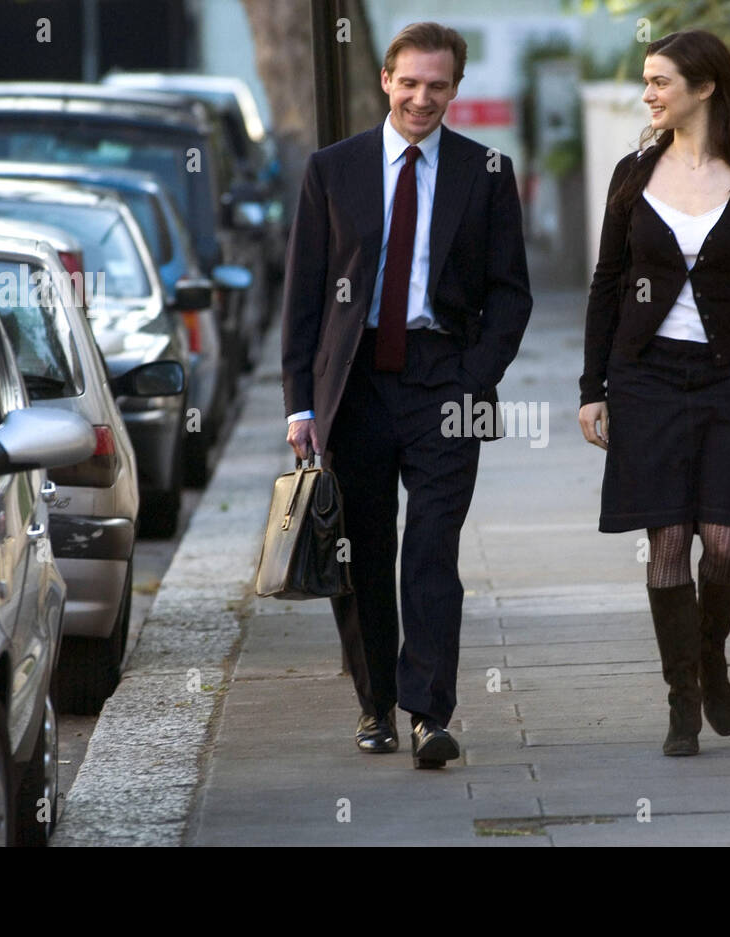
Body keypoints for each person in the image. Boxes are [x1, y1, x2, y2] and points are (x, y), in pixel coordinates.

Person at [281, 22, 532, 769]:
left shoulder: (487, 169)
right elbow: (304, 298)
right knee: (362, 551)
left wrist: (473, 376)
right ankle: (374, 703)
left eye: (439, 85)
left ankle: (430, 712)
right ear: (386, 80)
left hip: (445, 384)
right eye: (410, 82)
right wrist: (301, 404)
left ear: (455, 88)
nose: (423, 97)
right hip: (353, 386)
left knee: (430, 550)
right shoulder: (333, 168)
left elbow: (510, 294)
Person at [578, 29, 730, 756]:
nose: (647, 94)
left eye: (660, 81)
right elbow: (606, 285)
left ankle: (707, 649)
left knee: (724, 540)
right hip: (645, 378)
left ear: (706, 87)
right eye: (646, 82)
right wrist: (594, 387)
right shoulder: (633, 173)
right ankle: (681, 695)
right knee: (668, 541)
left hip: (726, 377)